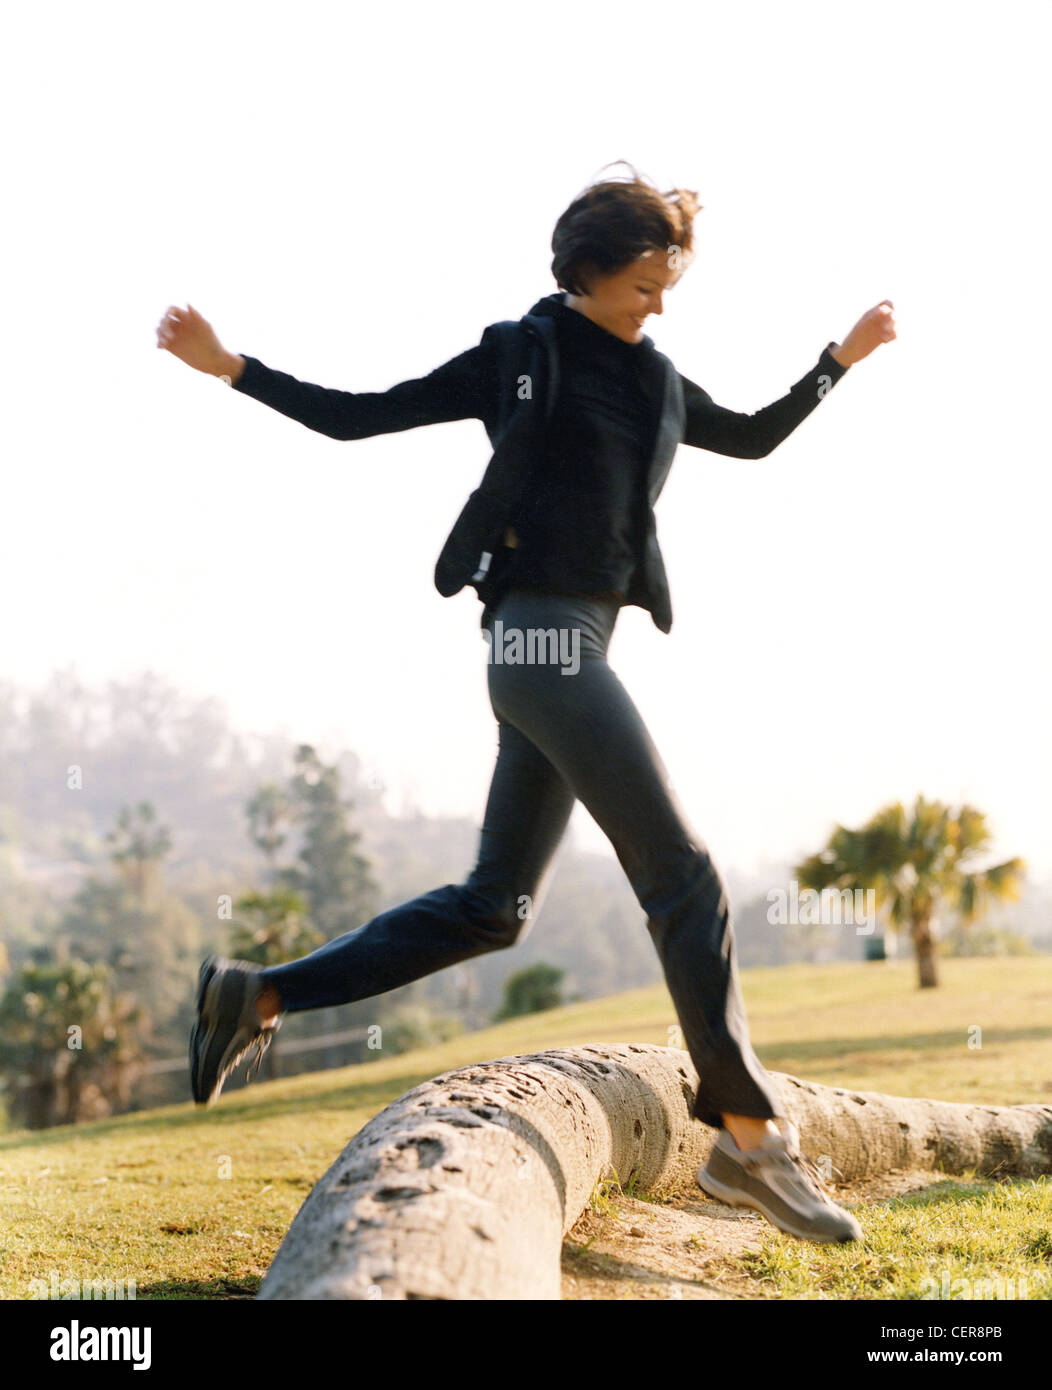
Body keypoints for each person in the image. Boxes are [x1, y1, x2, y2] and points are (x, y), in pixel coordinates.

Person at [156, 163, 896, 1244]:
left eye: (670, 285)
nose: (660, 303)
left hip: (581, 644)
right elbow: (363, 415)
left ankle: (255, 994)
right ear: (587, 272)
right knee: (683, 878)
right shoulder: (518, 353)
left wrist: (839, 360)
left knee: (492, 907)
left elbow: (750, 435)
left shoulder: (655, 380)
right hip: (535, 639)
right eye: (645, 284)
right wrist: (231, 368)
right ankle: (748, 1139)